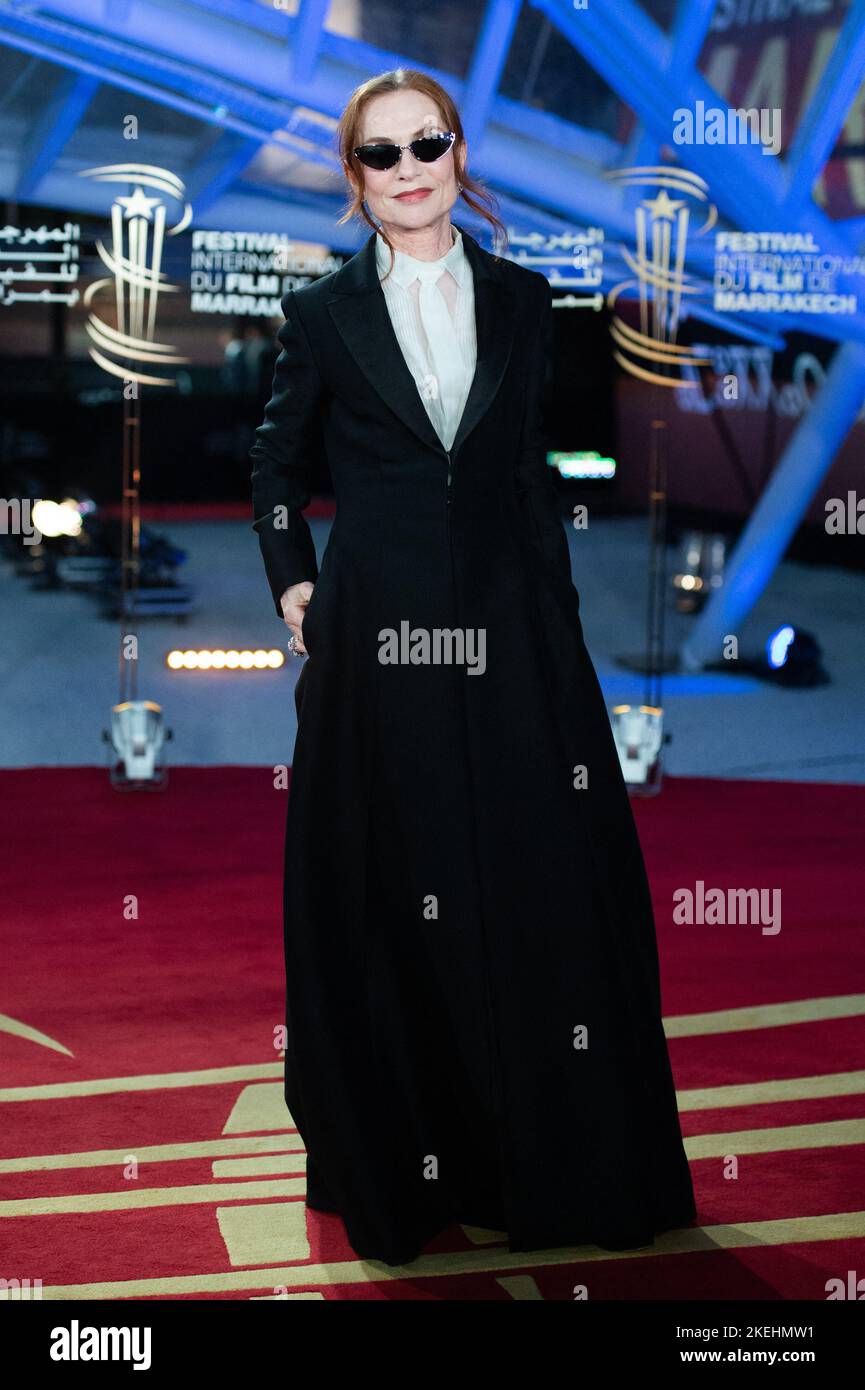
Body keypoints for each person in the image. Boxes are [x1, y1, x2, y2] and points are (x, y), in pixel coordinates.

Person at [249, 67, 696, 1267]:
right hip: (379, 646)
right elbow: (276, 467)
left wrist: (553, 619)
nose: (407, 170)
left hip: (513, 639)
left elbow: (524, 478)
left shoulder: (523, 299)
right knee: (395, 896)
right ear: (355, 179)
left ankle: (542, 1159)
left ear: (458, 154)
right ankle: (408, 1158)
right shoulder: (322, 317)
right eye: (381, 155)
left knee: (535, 887)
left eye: (426, 144)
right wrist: (294, 581)